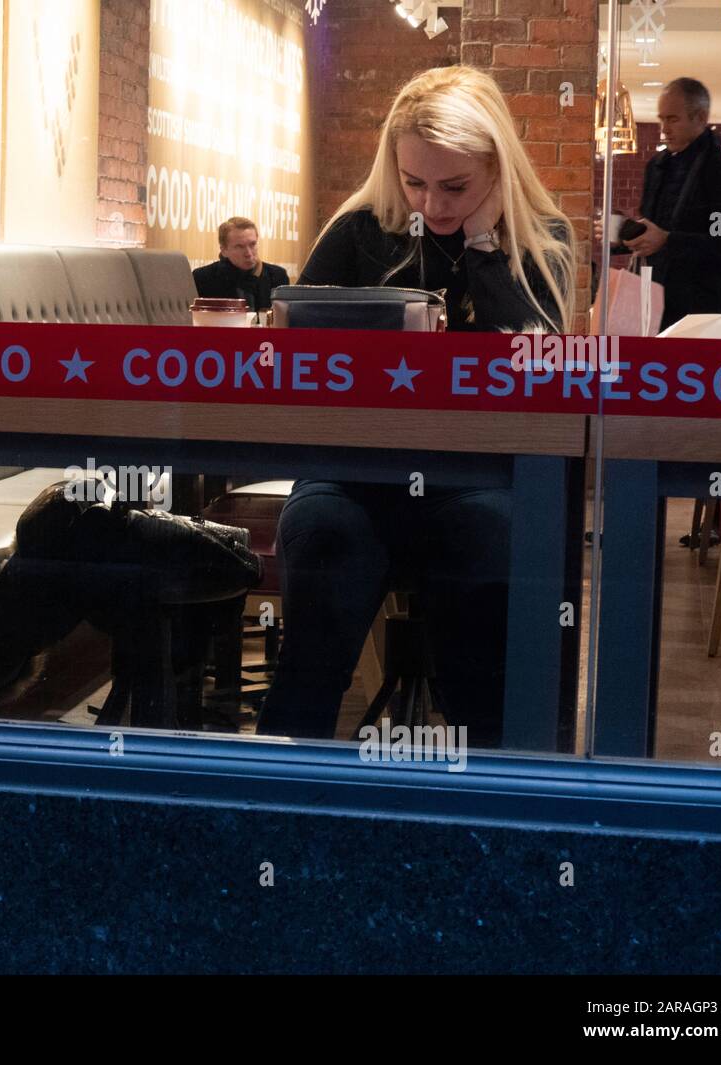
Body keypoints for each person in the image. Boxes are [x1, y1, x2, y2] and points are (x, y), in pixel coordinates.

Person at [255, 65, 576, 746]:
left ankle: (481, 796)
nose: (432, 204)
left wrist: (486, 247)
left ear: (499, 168)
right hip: (353, 472)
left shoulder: (541, 240)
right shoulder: (360, 230)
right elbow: (287, 353)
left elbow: (539, 362)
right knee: (321, 551)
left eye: (456, 185)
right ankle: (277, 802)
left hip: (477, 476)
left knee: (482, 581)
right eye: (414, 182)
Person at [600, 78, 721, 331]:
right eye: (662, 119)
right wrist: (626, 233)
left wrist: (667, 240)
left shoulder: (719, 170)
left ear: (700, 117)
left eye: (673, 119)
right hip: (652, 303)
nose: (664, 129)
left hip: (699, 313)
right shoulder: (658, 165)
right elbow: (653, 231)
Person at [192, 217, 290, 311]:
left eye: (252, 244)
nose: (248, 253)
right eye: (239, 246)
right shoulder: (203, 279)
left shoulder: (277, 277)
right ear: (224, 250)